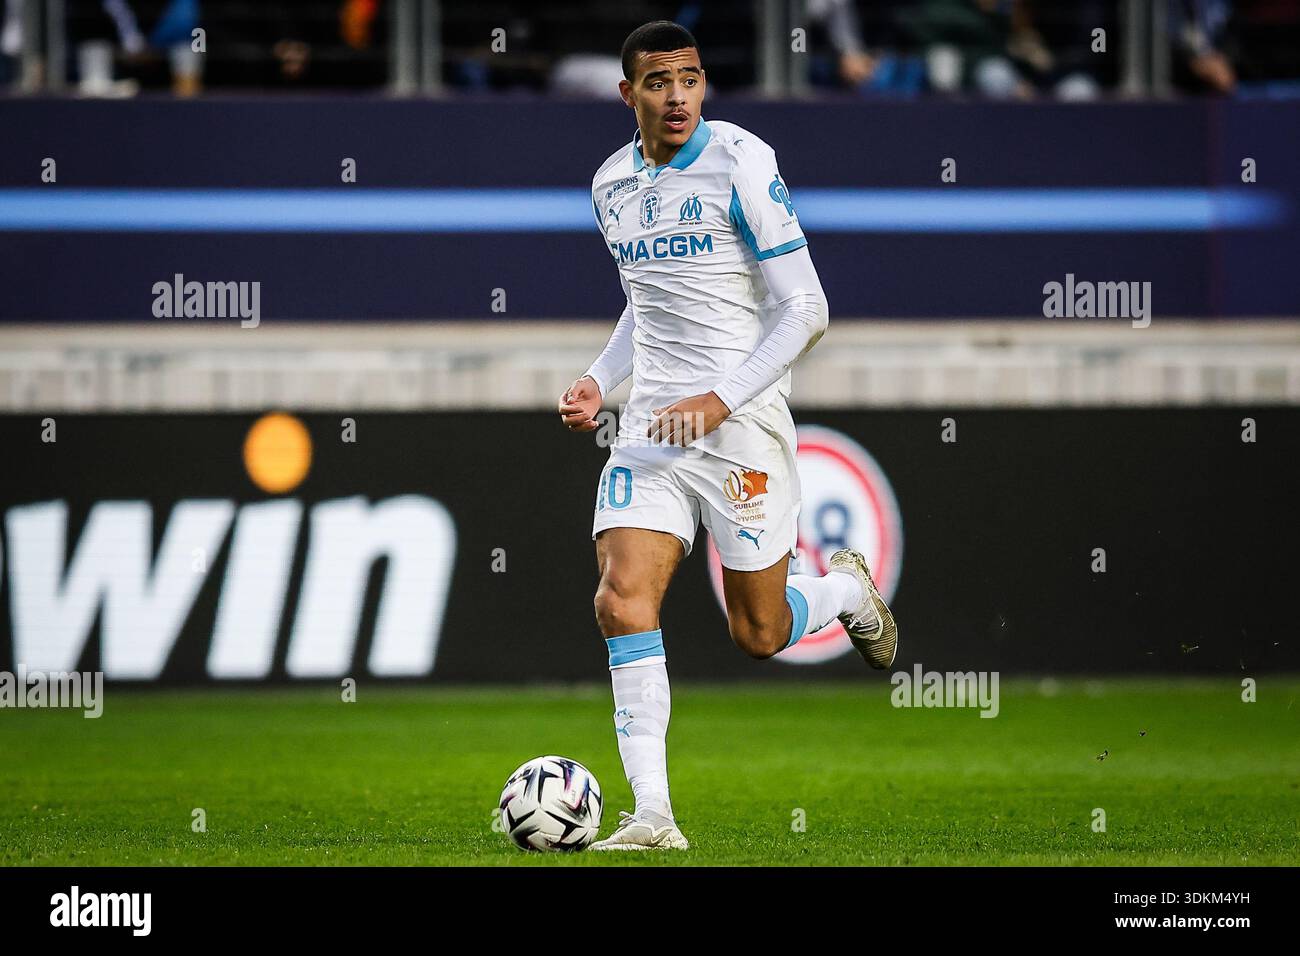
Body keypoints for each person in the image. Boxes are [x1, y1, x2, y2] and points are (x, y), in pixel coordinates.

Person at [556, 20, 898, 851]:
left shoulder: (741, 160)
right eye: (659, 82)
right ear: (627, 92)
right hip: (649, 432)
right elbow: (650, 301)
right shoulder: (609, 185)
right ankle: (653, 816)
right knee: (619, 595)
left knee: (761, 634)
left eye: (692, 79)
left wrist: (720, 399)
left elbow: (807, 308)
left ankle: (848, 593)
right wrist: (604, 378)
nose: (678, 97)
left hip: (738, 425)